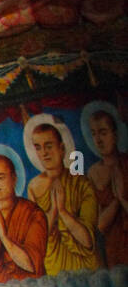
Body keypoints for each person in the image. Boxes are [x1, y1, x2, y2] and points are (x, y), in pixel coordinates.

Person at [27, 122, 99, 274]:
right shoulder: (33, 187)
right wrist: (53, 211)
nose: (44, 153)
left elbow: (87, 241)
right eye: (38, 148)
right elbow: (38, 239)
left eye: (49, 146)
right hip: (54, 269)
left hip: (85, 268)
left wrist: (63, 211)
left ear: (62, 149)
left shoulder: (81, 183)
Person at [0, 154, 46, 283]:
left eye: (0, 177)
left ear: (14, 179)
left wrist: (4, 237)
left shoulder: (33, 213)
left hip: (30, 286)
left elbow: (31, 265)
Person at [87, 109, 128, 267]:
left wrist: (123, 200)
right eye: (94, 134)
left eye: (103, 133)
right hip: (112, 246)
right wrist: (116, 202)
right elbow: (98, 225)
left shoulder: (125, 163)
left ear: (115, 134)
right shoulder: (93, 172)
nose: (98, 140)